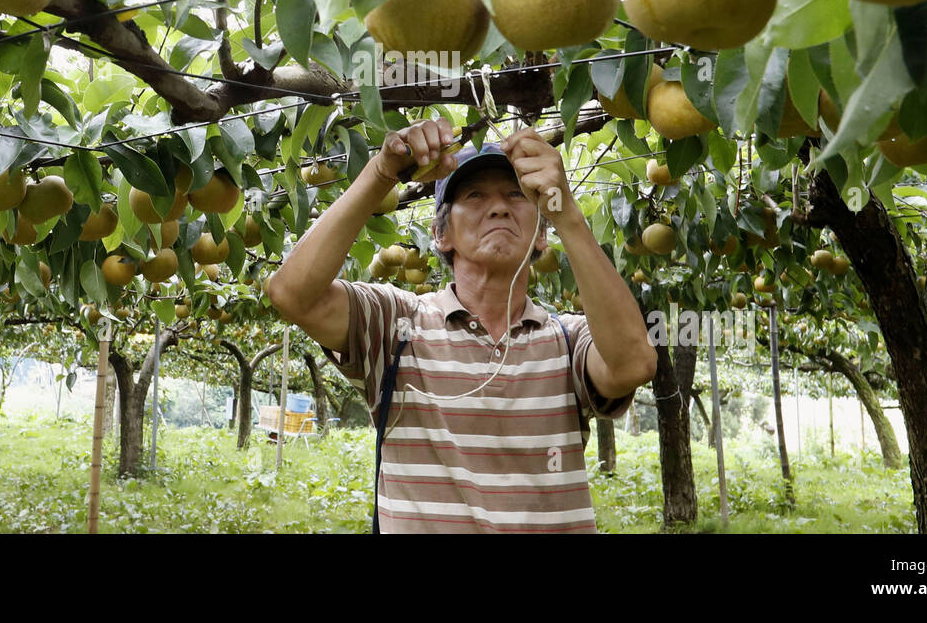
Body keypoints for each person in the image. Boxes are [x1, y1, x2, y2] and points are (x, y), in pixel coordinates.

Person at [267, 117, 657, 533]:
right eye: (474, 195)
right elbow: (292, 294)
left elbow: (632, 364)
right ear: (439, 233)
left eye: (518, 194)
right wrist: (381, 172)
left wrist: (567, 212)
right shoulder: (396, 327)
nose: (499, 206)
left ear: (542, 235)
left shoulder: (568, 339)